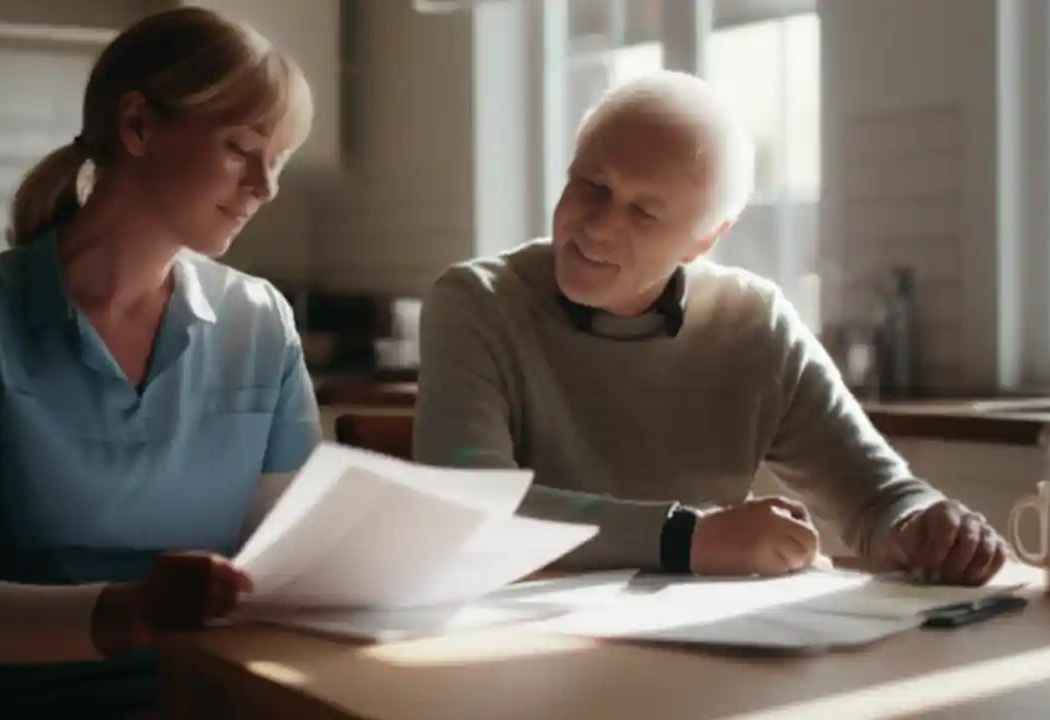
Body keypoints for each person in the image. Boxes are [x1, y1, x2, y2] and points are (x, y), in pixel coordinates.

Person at [0, 7, 319, 717]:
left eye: (281, 161)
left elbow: (290, 570)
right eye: (241, 147)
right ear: (138, 126)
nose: (264, 186)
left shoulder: (261, 323)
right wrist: (132, 612)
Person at [415, 71, 1007, 585]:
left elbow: (880, 498)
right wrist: (686, 538)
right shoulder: (475, 302)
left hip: (707, 656)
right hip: (514, 662)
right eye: (591, 185)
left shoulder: (753, 323)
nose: (596, 226)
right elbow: (467, 506)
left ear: (704, 240)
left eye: (643, 211)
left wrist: (929, 525)